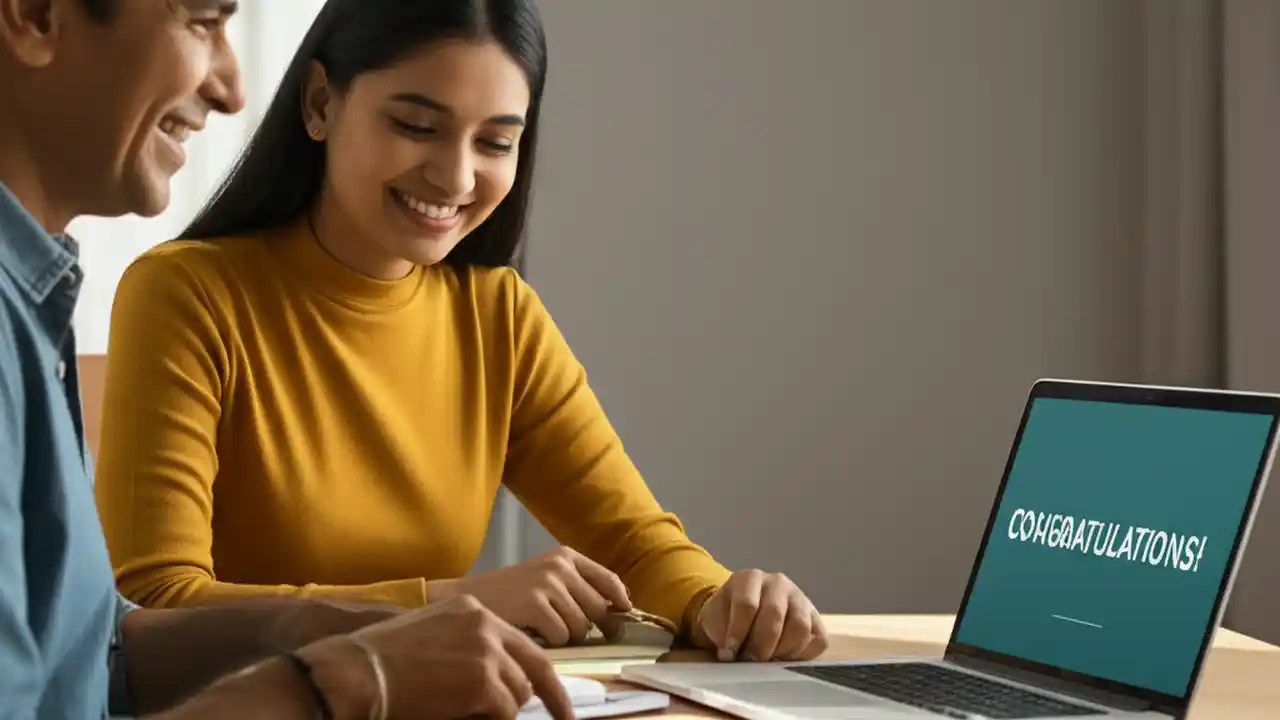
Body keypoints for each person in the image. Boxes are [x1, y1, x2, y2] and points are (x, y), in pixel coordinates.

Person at [94, 0, 830, 663]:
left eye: (496, 143)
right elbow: (154, 604)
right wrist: (446, 605)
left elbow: (636, 542)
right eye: (416, 126)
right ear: (320, 103)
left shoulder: (496, 315)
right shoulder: (187, 293)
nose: (454, 177)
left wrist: (721, 602)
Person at [0, 0, 574, 717]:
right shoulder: (168, 293)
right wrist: (349, 679)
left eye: (494, 142)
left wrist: (360, 634)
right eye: (202, 22)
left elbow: (95, 655)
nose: (232, 89)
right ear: (36, 14)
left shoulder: (31, 302)